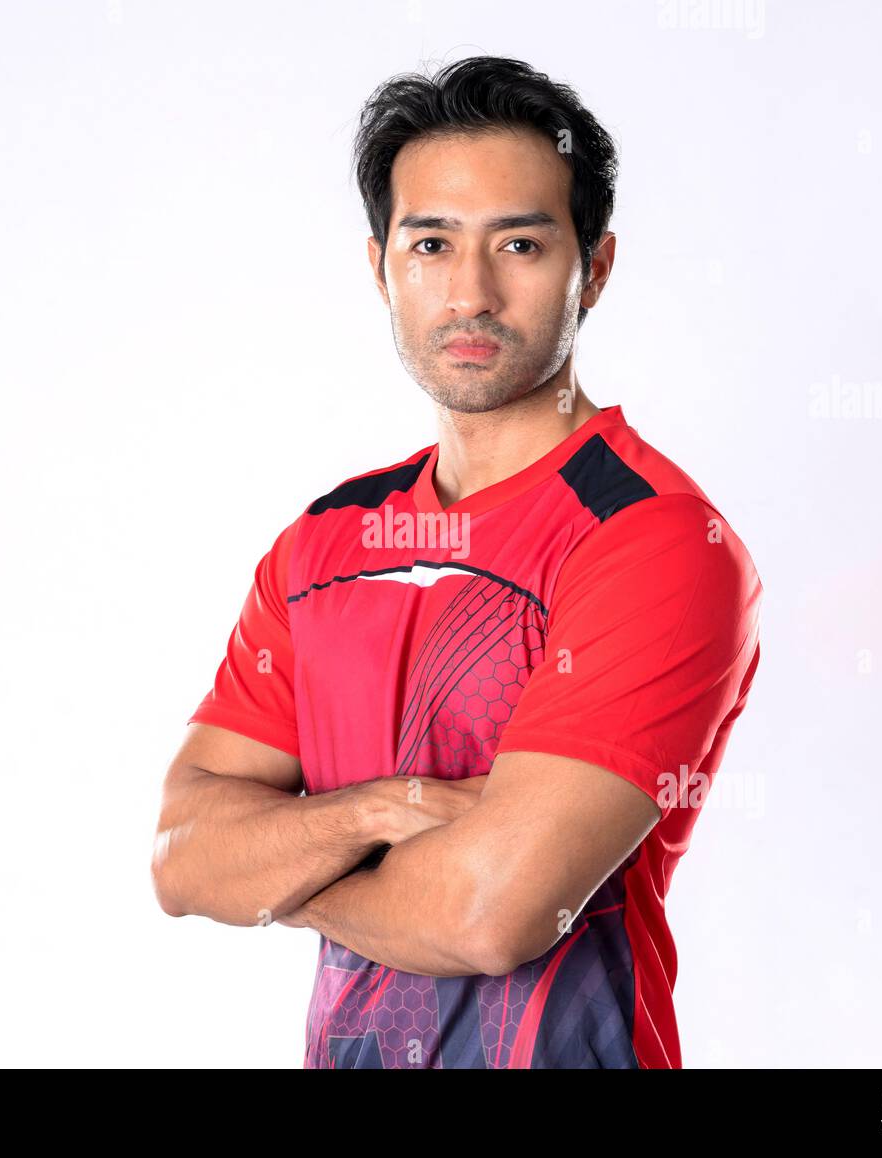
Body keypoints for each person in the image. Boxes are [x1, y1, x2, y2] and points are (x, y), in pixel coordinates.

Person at [151, 55, 763, 1069]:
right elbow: (180, 859)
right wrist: (389, 809)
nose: (470, 291)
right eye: (430, 243)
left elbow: (491, 915)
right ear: (380, 264)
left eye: (519, 243)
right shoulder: (323, 544)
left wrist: (276, 867)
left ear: (594, 267)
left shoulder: (652, 539)